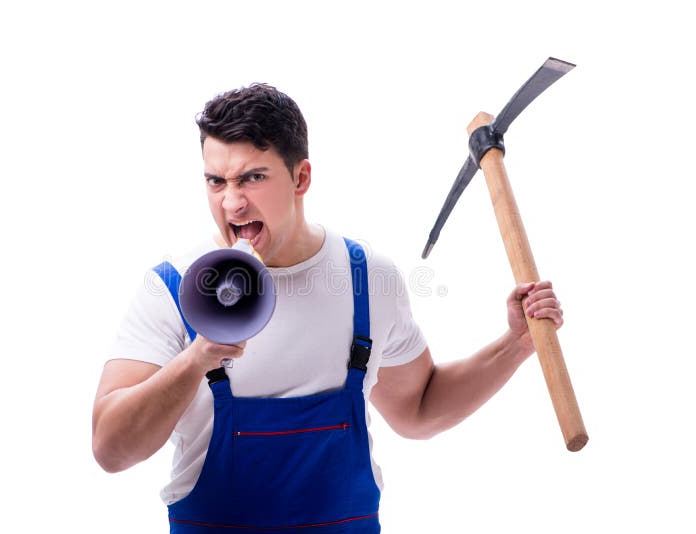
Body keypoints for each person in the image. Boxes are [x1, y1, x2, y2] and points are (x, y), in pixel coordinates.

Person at [91, 84, 564, 533]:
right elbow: (110, 450)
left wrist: (516, 344)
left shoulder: (367, 279)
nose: (232, 203)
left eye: (252, 178)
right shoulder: (174, 288)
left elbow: (420, 409)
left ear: (301, 177)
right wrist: (196, 359)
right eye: (216, 181)